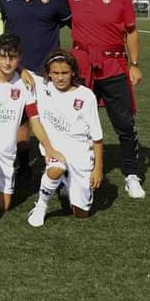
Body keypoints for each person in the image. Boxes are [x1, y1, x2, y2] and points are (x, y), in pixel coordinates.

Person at [67, 0, 146, 199]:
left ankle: (132, 175)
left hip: (113, 65)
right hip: (81, 68)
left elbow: (131, 31)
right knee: (77, 123)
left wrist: (134, 63)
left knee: (124, 123)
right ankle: (77, 172)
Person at [0, 34, 62, 228]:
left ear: (20, 57)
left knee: (5, 205)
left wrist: (49, 148)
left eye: (13, 57)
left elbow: (35, 121)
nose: (7, 62)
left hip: (6, 154)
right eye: (3, 56)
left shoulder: (27, 83)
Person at [0, 0, 71, 181]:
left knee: (54, 121)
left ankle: (60, 167)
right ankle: (23, 165)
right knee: (19, 121)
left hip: (47, 73)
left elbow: (72, 25)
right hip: (15, 71)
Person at [26, 50, 104, 227]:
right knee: (56, 169)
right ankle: (41, 206)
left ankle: (67, 184)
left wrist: (98, 168)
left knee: (81, 213)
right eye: (55, 73)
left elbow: (97, 138)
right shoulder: (42, 86)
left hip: (80, 152)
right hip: (55, 150)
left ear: (73, 72)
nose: (60, 78)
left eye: (65, 73)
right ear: (48, 73)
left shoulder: (86, 96)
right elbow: (16, 67)